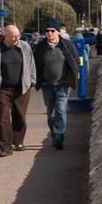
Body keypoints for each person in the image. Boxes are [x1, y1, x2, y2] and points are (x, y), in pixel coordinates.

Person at [0, 24, 35, 157]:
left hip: (21, 87)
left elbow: (31, 64)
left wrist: (31, 81)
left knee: (20, 115)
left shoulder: (25, 46)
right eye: (13, 36)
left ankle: (18, 141)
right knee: (2, 118)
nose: (16, 38)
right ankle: (5, 147)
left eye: (18, 35)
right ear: (5, 36)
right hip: (1, 89)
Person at [31, 20, 81, 150]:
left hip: (63, 84)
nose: (50, 33)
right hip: (47, 85)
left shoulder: (67, 45)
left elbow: (75, 61)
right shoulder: (40, 47)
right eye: (47, 31)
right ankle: (54, 134)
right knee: (51, 113)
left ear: (58, 32)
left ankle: (59, 136)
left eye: (52, 31)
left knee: (60, 109)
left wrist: (74, 76)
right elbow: (35, 65)